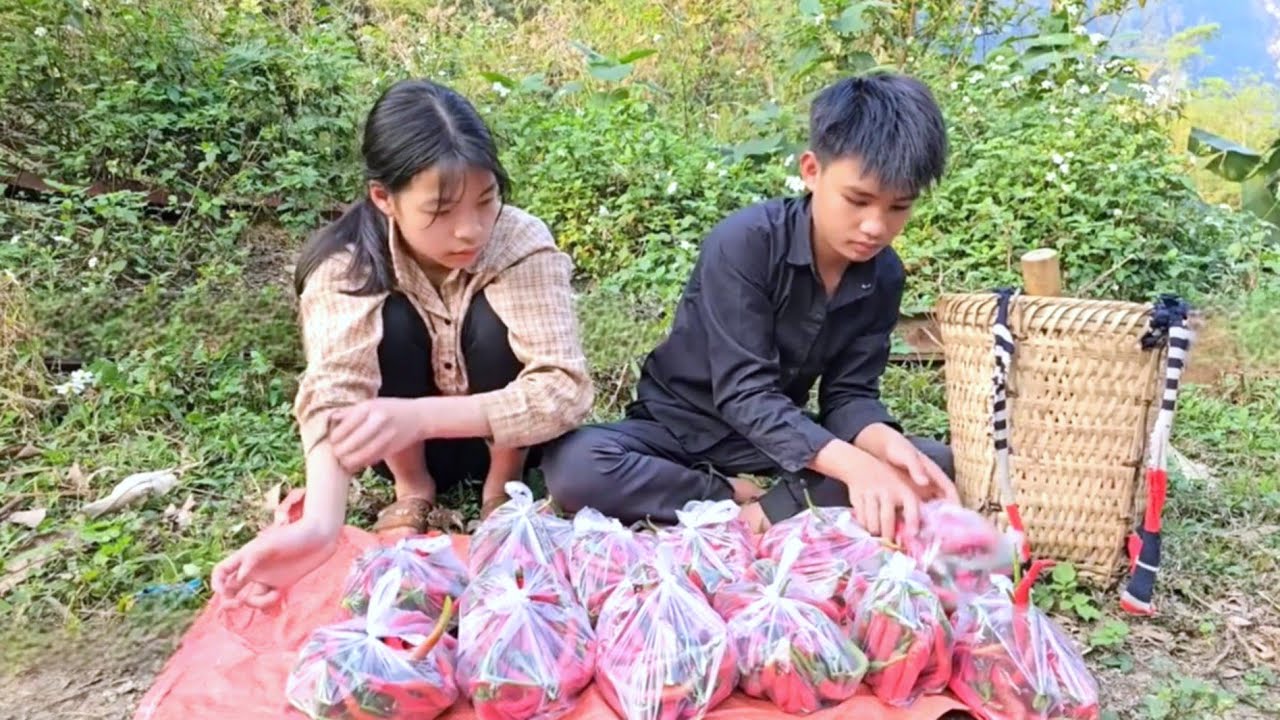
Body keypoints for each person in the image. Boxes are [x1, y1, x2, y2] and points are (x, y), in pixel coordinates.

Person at [213, 79, 593, 609]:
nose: (470, 230)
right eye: (440, 211)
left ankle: (500, 489)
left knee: (491, 324)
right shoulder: (346, 263)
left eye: (486, 200)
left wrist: (419, 415)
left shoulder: (518, 241)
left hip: (510, 436)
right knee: (390, 319)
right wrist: (321, 526)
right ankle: (412, 488)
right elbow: (334, 391)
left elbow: (563, 389)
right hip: (397, 445)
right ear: (383, 198)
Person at [541, 72, 958, 539]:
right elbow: (744, 393)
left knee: (929, 463)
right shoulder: (745, 243)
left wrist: (884, 444)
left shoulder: (883, 273)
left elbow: (850, 395)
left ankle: (774, 505)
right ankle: (735, 498)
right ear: (812, 171)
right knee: (574, 465)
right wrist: (856, 469)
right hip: (677, 431)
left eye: (898, 207)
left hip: (776, 442)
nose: (875, 227)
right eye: (858, 200)